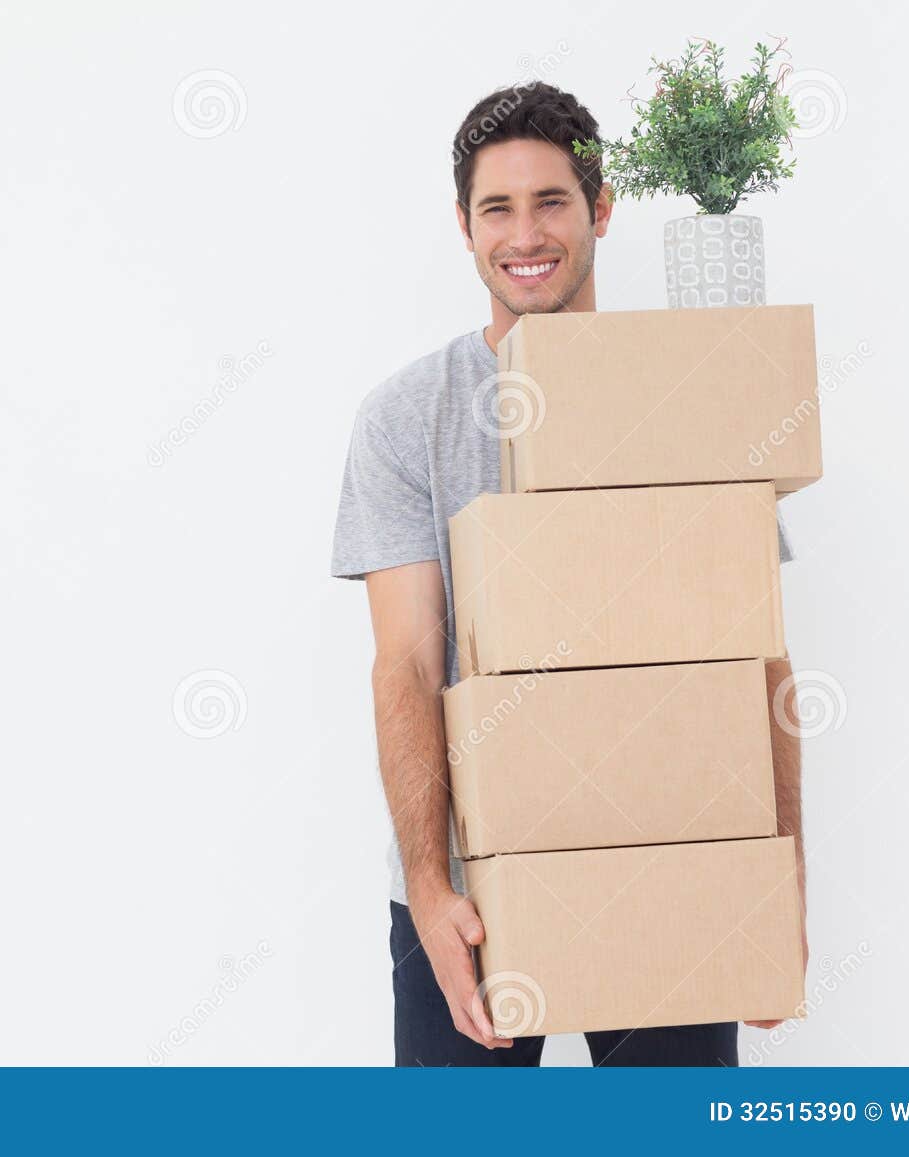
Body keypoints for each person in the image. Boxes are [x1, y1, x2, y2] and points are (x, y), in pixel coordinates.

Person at [328, 81, 809, 1067]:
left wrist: (777, 879)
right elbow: (406, 663)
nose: (525, 235)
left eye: (551, 201)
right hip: (470, 888)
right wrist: (428, 886)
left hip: (669, 857)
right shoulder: (406, 418)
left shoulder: (685, 391)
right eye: (496, 209)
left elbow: (753, 655)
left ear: (600, 208)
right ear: (463, 227)